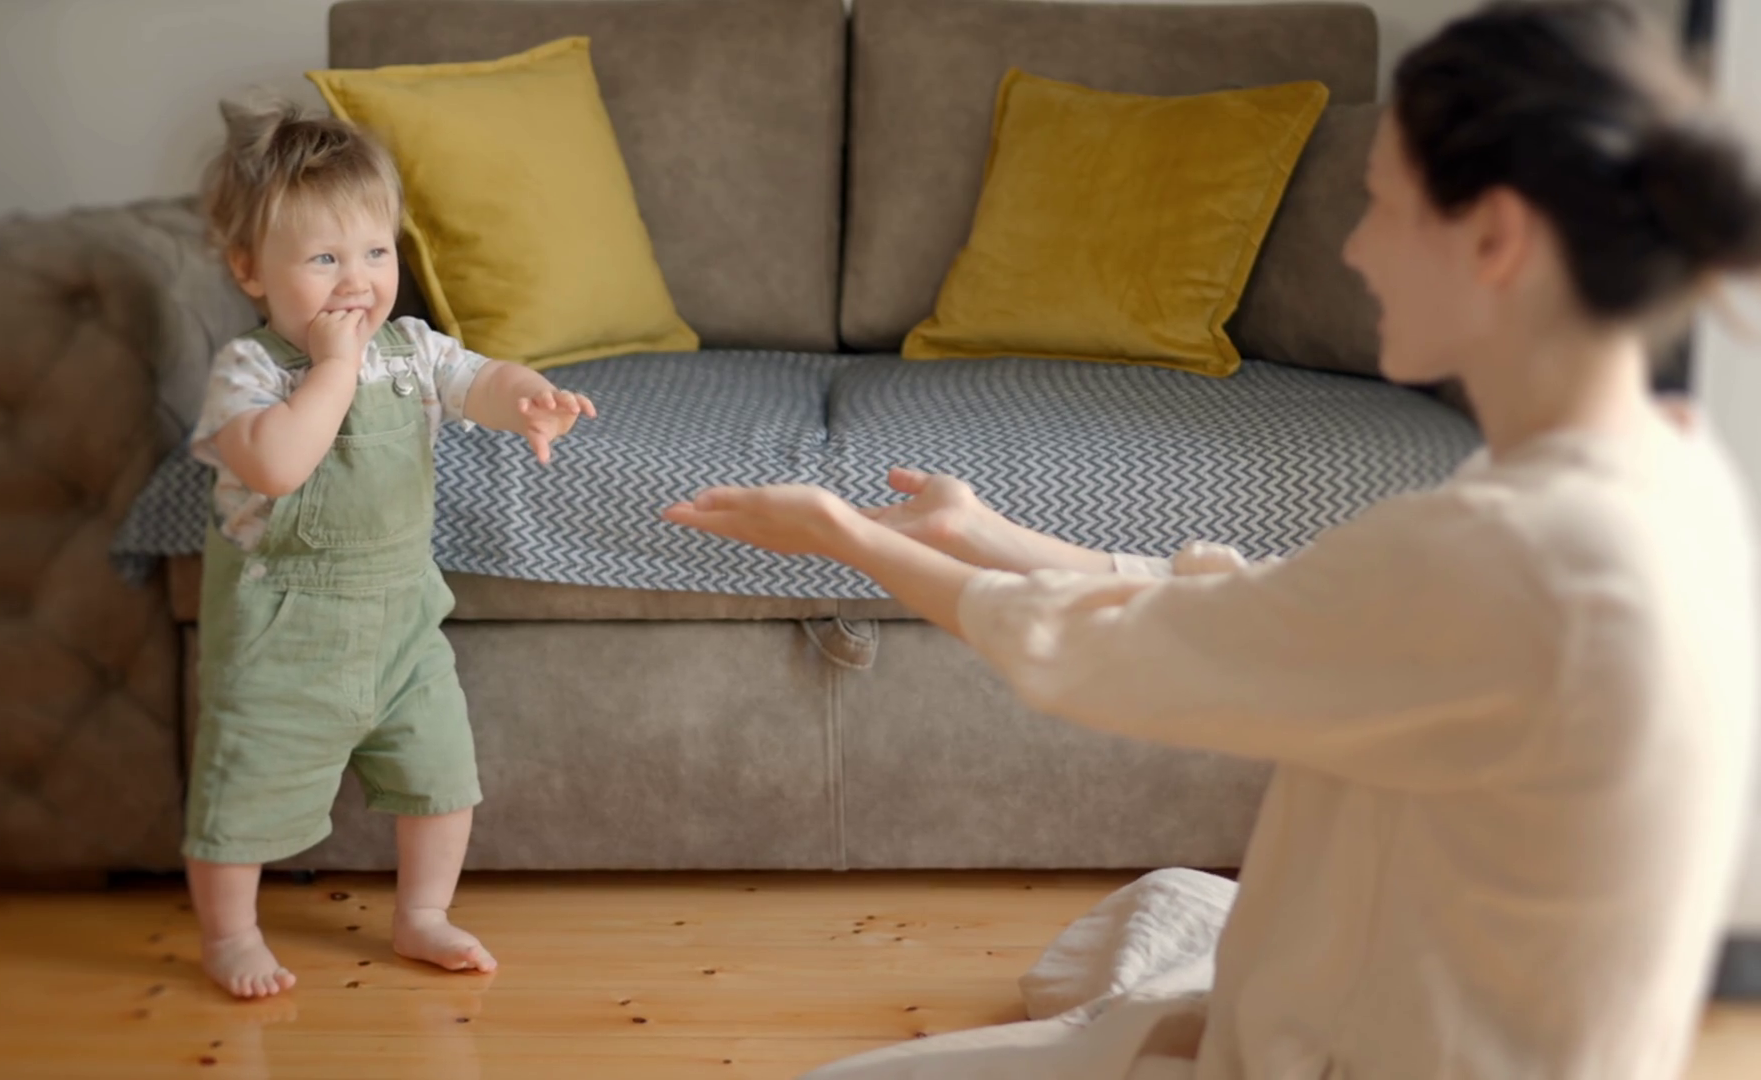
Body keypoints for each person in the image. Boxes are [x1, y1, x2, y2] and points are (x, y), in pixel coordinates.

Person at [664, 2, 1761, 1075]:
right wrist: (984, 532)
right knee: (1162, 924)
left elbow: (1108, 651)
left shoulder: (1511, 555)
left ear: (1494, 235)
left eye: (1379, 205)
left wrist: (854, 538)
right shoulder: (1664, 483)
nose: (1357, 248)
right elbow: (1285, 612)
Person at [185, 100, 595, 999]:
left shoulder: (408, 348)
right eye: (324, 259)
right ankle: (230, 935)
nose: (356, 282)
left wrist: (524, 395)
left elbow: (474, 379)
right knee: (244, 790)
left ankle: (422, 915)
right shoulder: (248, 373)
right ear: (250, 270)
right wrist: (331, 369)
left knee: (444, 776)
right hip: (283, 634)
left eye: (375, 254)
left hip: (403, 623)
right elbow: (283, 464)